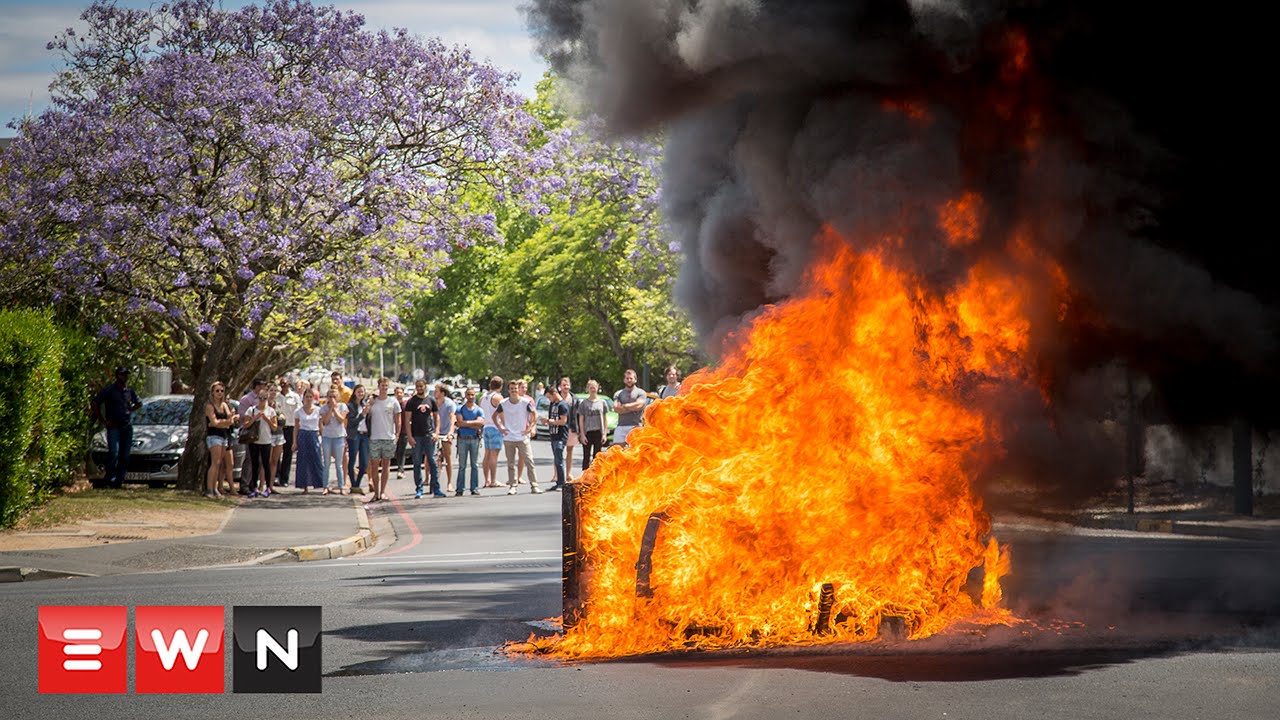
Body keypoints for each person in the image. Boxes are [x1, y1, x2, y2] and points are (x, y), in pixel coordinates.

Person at [91, 366, 143, 488]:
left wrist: (129, 410)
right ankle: (110, 479)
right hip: (113, 426)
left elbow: (139, 403)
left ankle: (119, 480)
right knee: (113, 453)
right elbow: (95, 403)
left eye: (126, 375)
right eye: (122, 374)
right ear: (117, 376)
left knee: (124, 455)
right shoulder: (109, 390)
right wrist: (102, 420)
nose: (124, 377)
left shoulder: (129, 391)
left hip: (126, 426)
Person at [494, 379, 541, 495]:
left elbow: (535, 414)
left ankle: (534, 485)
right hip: (509, 437)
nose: (514, 390)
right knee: (511, 464)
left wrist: (530, 427)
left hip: (522, 437)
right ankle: (513, 486)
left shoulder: (525, 402)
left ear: (518, 389)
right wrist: (500, 428)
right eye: (512, 389)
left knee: (529, 461)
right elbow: (494, 416)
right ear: (508, 390)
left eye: (515, 388)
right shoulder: (503, 403)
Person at [404, 379, 441, 499]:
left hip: (429, 435)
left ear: (425, 386)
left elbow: (437, 417)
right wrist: (410, 436)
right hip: (416, 436)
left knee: (432, 462)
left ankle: (436, 488)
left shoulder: (431, 400)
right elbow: (407, 420)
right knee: (417, 463)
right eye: (417, 386)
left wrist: (436, 432)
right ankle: (419, 489)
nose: (419, 388)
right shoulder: (411, 402)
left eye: (421, 386)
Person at [366, 377, 401, 502]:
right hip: (374, 437)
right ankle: (376, 493)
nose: (384, 388)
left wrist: (397, 435)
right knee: (374, 465)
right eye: (382, 385)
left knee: (386, 465)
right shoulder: (373, 402)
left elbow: (398, 420)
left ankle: (383, 492)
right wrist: (369, 402)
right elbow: (366, 415)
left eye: (386, 385)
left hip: (388, 437)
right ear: (378, 386)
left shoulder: (393, 401)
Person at [203, 381, 238, 498]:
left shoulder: (224, 405)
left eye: (222, 391)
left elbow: (230, 421)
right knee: (214, 462)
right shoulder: (210, 406)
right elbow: (214, 423)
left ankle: (215, 488)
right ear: (212, 392)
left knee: (219, 464)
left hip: (224, 437)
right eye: (217, 391)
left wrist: (222, 422)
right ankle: (209, 489)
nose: (219, 393)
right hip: (214, 437)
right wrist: (223, 423)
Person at [240, 391, 277, 498]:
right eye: (260, 398)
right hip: (254, 440)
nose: (262, 401)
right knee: (254, 464)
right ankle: (254, 487)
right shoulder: (251, 410)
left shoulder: (271, 411)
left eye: (264, 398)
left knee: (266, 464)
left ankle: (268, 487)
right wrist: (254, 418)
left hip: (266, 440)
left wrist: (267, 419)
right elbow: (246, 425)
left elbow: (275, 427)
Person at [453, 387, 484, 496]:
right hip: (462, 439)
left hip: (474, 439)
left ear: (475, 396)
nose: (470, 397)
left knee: (475, 465)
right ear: (465, 396)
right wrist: (474, 423)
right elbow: (459, 422)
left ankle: (474, 488)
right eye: (468, 395)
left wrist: (465, 423)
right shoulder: (460, 409)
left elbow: (481, 423)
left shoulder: (479, 410)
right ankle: (460, 489)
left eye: (472, 395)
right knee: (462, 466)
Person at [293, 389, 324, 493]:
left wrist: (323, 438)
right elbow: (296, 427)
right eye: (307, 396)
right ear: (303, 398)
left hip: (314, 434)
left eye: (311, 397)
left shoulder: (318, 410)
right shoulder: (298, 411)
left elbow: (321, 425)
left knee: (316, 459)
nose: (309, 399)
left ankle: (320, 483)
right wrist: (294, 442)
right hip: (303, 435)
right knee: (303, 461)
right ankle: (304, 486)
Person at [318, 387, 348, 495]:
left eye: (334, 397)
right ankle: (325, 486)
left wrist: (335, 409)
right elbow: (325, 421)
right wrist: (330, 409)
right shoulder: (323, 408)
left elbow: (341, 420)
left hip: (339, 436)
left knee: (339, 464)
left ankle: (341, 486)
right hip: (327, 436)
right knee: (326, 463)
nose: (332, 399)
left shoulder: (342, 406)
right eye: (330, 397)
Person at [576, 379, 608, 472]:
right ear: (587, 389)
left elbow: (605, 419)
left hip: (598, 431)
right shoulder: (584, 403)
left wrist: (604, 434)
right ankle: (585, 476)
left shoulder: (602, 402)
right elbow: (581, 419)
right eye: (591, 388)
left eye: (594, 387)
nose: (593, 390)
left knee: (597, 456)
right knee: (586, 456)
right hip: (588, 432)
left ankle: (596, 475)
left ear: (597, 388)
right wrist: (582, 434)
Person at [542, 386, 570, 491]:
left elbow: (563, 421)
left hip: (560, 435)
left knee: (559, 460)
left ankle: (562, 483)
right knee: (556, 459)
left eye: (549, 397)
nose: (549, 399)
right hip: (553, 434)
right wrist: (547, 422)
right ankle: (558, 481)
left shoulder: (563, 405)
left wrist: (550, 421)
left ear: (554, 393)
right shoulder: (553, 404)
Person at [612, 368, 648, 447]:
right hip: (621, 426)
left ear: (635, 380)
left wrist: (624, 406)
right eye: (627, 378)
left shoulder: (641, 392)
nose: (629, 380)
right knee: (618, 449)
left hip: (636, 426)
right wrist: (633, 408)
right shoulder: (618, 393)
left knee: (636, 450)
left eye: (631, 378)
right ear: (624, 380)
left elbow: (639, 406)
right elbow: (616, 408)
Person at [275, 378, 301, 486]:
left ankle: (284, 478)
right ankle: (276, 476)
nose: (284, 386)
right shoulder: (276, 397)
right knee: (276, 453)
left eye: (285, 384)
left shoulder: (295, 397)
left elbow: (299, 411)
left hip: (290, 427)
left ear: (289, 384)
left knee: (288, 453)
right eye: (282, 384)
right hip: (279, 427)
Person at [345, 384, 370, 494]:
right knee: (352, 460)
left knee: (364, 463)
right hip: (354, 435)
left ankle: (357, 484)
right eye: (359, 391)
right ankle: (353, 484)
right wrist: (362, 415)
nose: (361, 394)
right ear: (354, 392)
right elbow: (351, 422)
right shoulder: (350, 406)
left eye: (362, 392)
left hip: (365, 435)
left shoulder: (365, 405)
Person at [479, 376, 504, 488]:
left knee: (487, 454)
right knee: (494, 455)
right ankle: (493, 480)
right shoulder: (497, 397)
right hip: (495, 427)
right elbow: (502, 413)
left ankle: (486, 480)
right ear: (500, 386)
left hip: (486, 426)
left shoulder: (483, 397)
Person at [434, 383, 457, 493]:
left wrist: (451, 433)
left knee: (447, 457)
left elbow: (452, 418)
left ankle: (449, 483)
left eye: (437, 391)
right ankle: (427, 479)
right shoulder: (433, 403)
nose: (435, 393)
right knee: (429, 456)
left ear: (442, 393)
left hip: (445, 432)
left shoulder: (449, 404)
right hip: (435, 432)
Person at [265, 383, 286, 492]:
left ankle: (271, 485)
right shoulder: (264, 404)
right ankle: (263, 485)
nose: (273, 393)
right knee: (266, 461)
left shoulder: (278, 404)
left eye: (275, 391)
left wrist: (282, 417)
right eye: (271, 390)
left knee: (275, 461)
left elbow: (282, 418)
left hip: (279, 434)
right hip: (268, 434)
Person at [558, 377, 579, 477]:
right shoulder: (557, 398)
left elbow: (578, 415)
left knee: (569, 450)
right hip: (559, 427)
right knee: (558, 451)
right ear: (560, 386)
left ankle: (568, 473)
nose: (566, 387)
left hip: (571, 427)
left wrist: (578, 429)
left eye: (567, 385)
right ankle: (557, 474)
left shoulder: (574, 399)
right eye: (563, 385)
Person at [393, 385, 408, 480]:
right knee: (395, 451)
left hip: (404, 431)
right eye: (397, 393)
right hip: (392, 431)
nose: (399, 394)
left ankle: (400, 469)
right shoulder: (392, 405)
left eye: (400, 393)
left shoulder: (406, 405)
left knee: (401, 451)